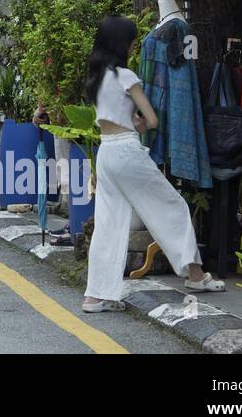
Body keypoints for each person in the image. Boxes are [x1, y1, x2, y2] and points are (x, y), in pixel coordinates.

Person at [82, 16, 225, 311]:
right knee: (173, 206)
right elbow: (151, 119)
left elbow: (111, 116)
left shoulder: (95, 79)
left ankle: (94, 295)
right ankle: (195, 275)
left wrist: (130, 120)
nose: (134, 45)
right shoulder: (125, 76)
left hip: (106, 153)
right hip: (126, 152)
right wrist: (139, 123)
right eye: (132, 40)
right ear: (122, 43)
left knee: (108, 225)